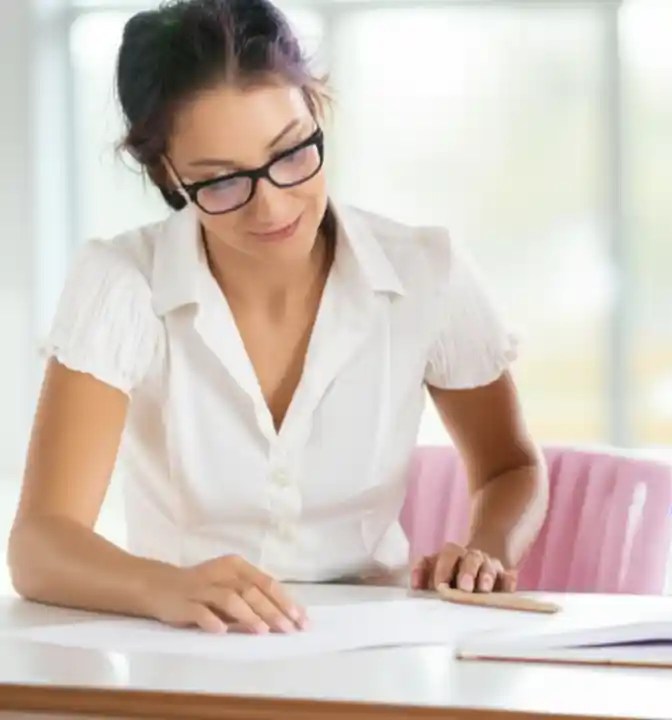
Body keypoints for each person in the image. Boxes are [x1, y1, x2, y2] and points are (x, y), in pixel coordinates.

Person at [7, 0, 548, 636]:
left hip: (376, 651)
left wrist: (486, 551)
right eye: (222, 181)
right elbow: (41, 543)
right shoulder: (123, 282)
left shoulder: (427, 272)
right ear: (168, 174)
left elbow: (511, 467)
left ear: (315, 110)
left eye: (292, 153)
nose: (271, 206)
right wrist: (165, 588)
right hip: (184, 647)